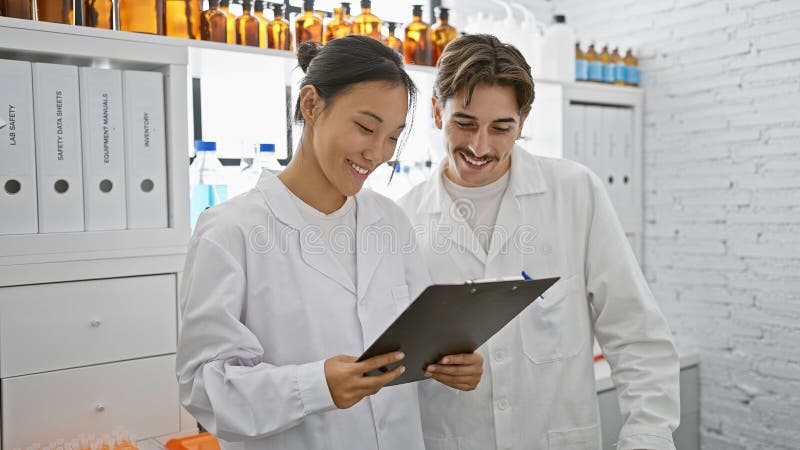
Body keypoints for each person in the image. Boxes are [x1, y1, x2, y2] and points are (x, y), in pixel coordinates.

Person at [176, 36, 482, 450]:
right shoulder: (230, 231)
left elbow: (412, 355)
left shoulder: (390, 221)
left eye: (392, 137)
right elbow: (204, 389)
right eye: (366, 127)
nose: (377, 153)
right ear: (311, 105)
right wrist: (314, 385)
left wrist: (449, 368)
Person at [399, 34, 680, 450]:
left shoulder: (575, 192)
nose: (480, 147)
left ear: (523, 123)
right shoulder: (404, 217)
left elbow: (635, 333)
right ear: (438, 112)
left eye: (501, 128)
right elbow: (389, 362)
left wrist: (647, 438)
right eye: (465, 123)